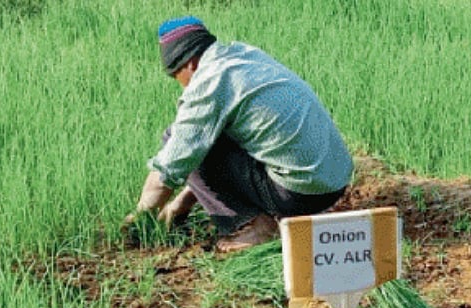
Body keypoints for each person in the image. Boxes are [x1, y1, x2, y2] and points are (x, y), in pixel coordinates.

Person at [127, 16, 353, 251]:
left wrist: (140, 219)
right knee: (207, 136)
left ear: (189, 63)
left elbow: (172, 165)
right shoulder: (243, 56)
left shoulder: (209, 81)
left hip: (301, 194)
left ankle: (256, 226)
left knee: (177, 137)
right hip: (334, 183)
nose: (183, 86)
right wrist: (180, 204)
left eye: (177, 77)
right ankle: (262, 214)